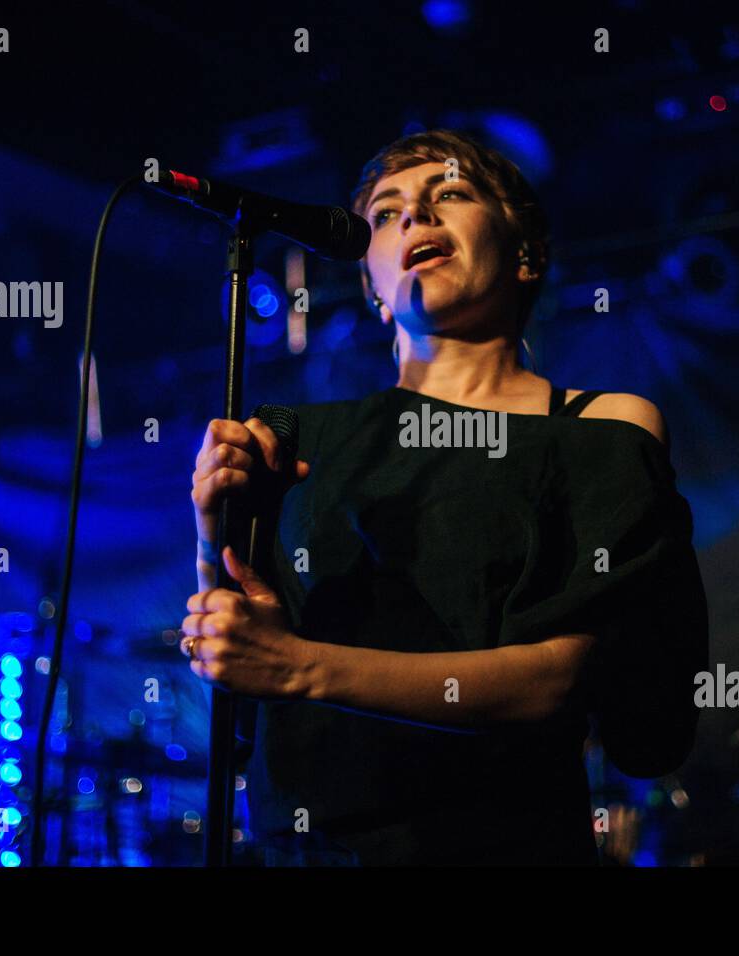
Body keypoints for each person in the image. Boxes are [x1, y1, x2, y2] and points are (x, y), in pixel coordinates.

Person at [182, 129, 708, 865]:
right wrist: (213, 541)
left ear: (524, 251)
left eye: (450, 195)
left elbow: (559, 678)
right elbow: (239, 715)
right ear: (370, 285)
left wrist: (304, 665)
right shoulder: (294, 438)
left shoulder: (600, 428)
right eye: (388, 212)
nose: (416, 218)